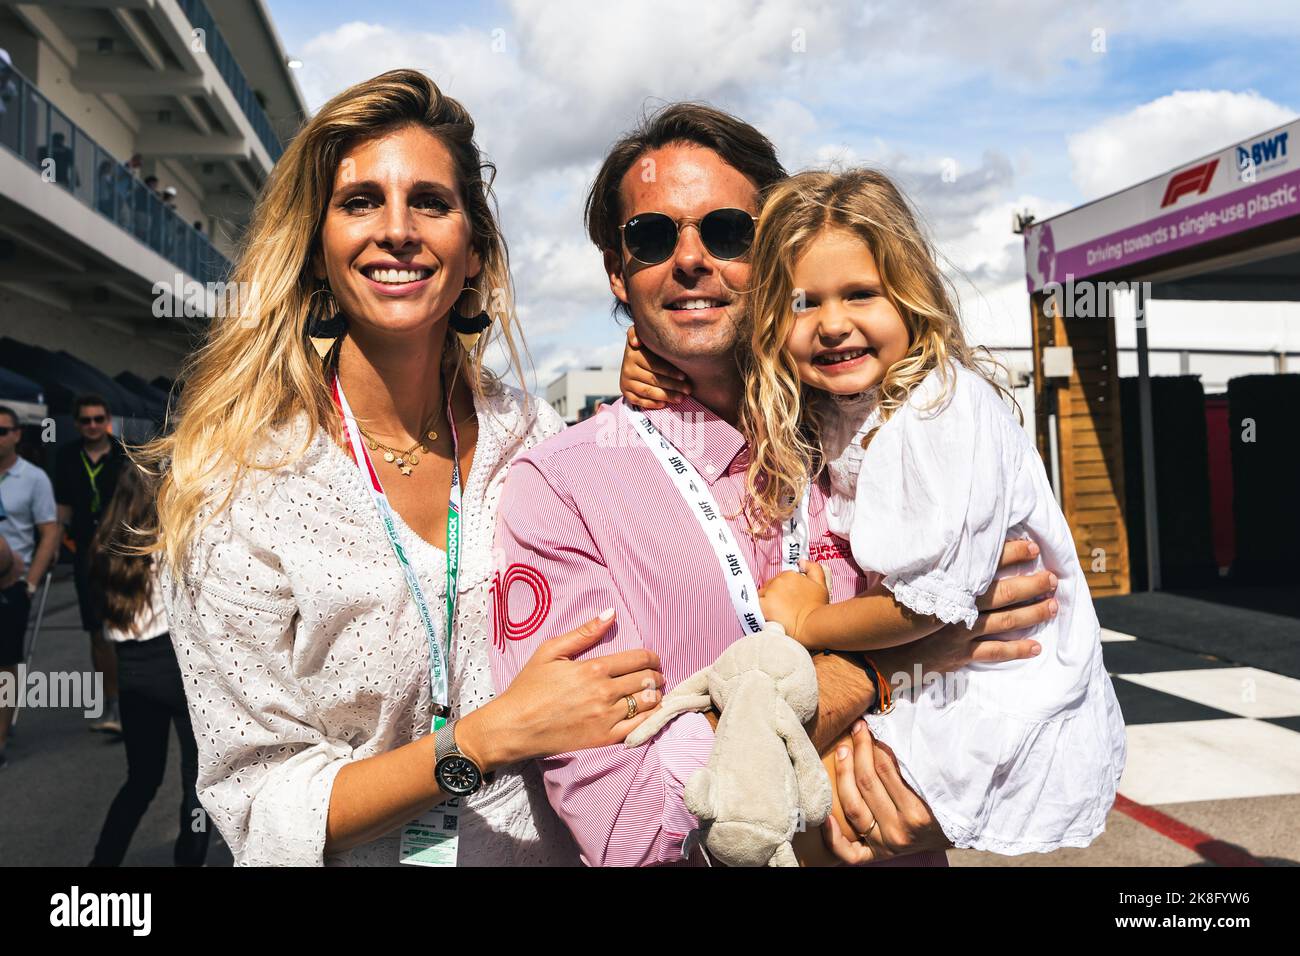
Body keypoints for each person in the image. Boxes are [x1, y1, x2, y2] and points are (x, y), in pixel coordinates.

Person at [491, 103, 1057, 866]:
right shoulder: (563, 486)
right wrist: (887, 663)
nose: (690, 260)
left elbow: (1023, 649)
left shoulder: (877, 428)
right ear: (617, 271)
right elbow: (636, 824)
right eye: (653, 238)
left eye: (727, 232)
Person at [140, 69, 666, 867]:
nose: (397, 229)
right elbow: (261, 806)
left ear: (474, 252)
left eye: (430, 201)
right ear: (317, 254)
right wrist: (484, 740)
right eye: (359, 203)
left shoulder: (533, 438)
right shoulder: (239, 486)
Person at [632, 167, 1128, 855]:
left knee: (776, 820)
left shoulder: (936, 413)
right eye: (804, 304)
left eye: (861, 294)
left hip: (991, 699)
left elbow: (928, 607)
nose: (834, 325)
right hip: (940, 684)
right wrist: (647, 356)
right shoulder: (855, 405)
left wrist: (807, 621)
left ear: (912, 298)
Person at [88, 461, 211, 866]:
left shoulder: (102, 546)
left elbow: (97, 619)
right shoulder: (168, 540)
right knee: (196, 780)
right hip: (175, 668)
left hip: (131, 672)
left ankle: (103, 861)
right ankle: (188, 860)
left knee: (140, 781)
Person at [55, 395, 126, 734]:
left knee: (127, 627)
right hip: (85, 552)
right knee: (97, 631)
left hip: (124, 553)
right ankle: (112, 702)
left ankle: (133, 699)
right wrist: (54, 544)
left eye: (99, 419)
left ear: (107, 419)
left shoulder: (125, 453)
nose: (93, 426)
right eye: (86, 421)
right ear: (77, 423)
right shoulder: (67, 457)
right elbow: (63, 508)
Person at [0, 405, 60, 770]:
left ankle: (2, 736)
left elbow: (49, 532)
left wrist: (31, 583)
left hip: (11, 586)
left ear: (17, 435)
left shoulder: (34, 478)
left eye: (2, 430)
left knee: (5, 665)